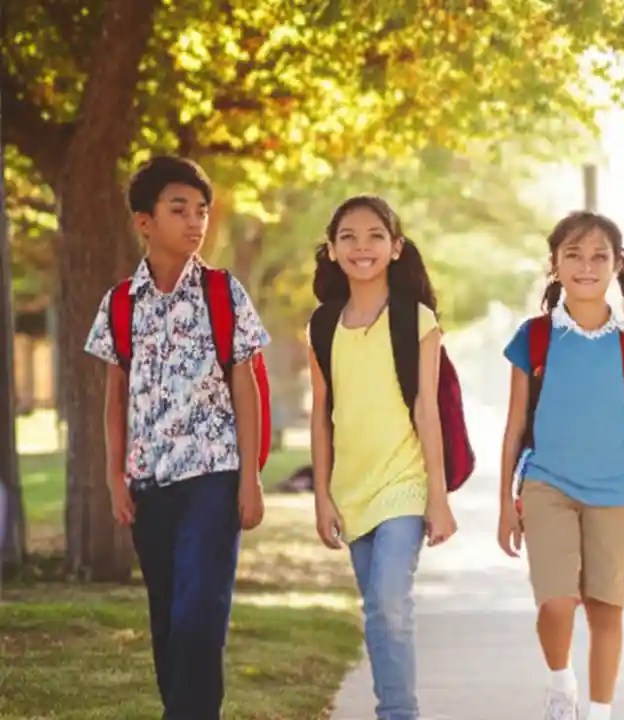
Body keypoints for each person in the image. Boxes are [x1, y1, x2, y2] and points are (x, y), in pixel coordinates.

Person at [83, 155, 270, 719]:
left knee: (198, 611)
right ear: (144, 221)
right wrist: (115, 478)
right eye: (179, 209)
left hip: (213, 477)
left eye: (202, 211)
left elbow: (246, 387)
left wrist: (250, 479)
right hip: (149, 485)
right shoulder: (119, 303)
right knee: (167, 616)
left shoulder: (222, 292)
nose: (196, 222)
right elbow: (115, 397)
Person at [497, 211, 624, 720]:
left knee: (605, 607)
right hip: (546, 485)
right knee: (555, 602)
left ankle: (599, 712)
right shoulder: (533, 338)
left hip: (616, 490)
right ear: (554, 265)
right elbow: (513, 428)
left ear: (618, 264)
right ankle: (561, 684)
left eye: (599, 256)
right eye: (573, 255)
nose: (586, 266)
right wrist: (504, 507)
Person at [307, 195, 459, 720]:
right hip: (351, 491)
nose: (361, 247)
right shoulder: (321, 327)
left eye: (375, 236)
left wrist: (437, 498)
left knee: (390, 604)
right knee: (376, 610)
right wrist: (322, 497)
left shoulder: (416, 320)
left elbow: (427, 410)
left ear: (396, 248)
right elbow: (321, 416)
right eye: (347, 236)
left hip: (404, 484)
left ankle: (398, 714)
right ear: (331, 250)